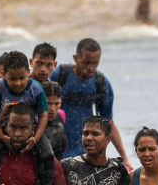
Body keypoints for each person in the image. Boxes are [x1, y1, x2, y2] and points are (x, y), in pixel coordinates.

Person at [50, 38, 133, 169]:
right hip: (56, 150)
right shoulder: (60, 75)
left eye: (95, 63)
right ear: (76, 58)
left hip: (86, 153)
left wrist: (125, 159)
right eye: (86, 63)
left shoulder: (100, 82)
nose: (91, 68)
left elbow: (108, 121)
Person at [0, 51, 49, 155]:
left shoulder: (36, 88)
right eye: (12, 79)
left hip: (31, 130)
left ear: (28, 72)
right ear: (4, 75)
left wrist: (35, 138)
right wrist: (2, 136)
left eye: (22, 78)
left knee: (47, 154)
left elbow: (43, 115)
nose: (18, 83)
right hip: (5, 129)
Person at [42, 81, 67, 159]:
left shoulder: (61, 115)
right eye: (48, 103)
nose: (52, 109)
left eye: (56, 104)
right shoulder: (31, 119)